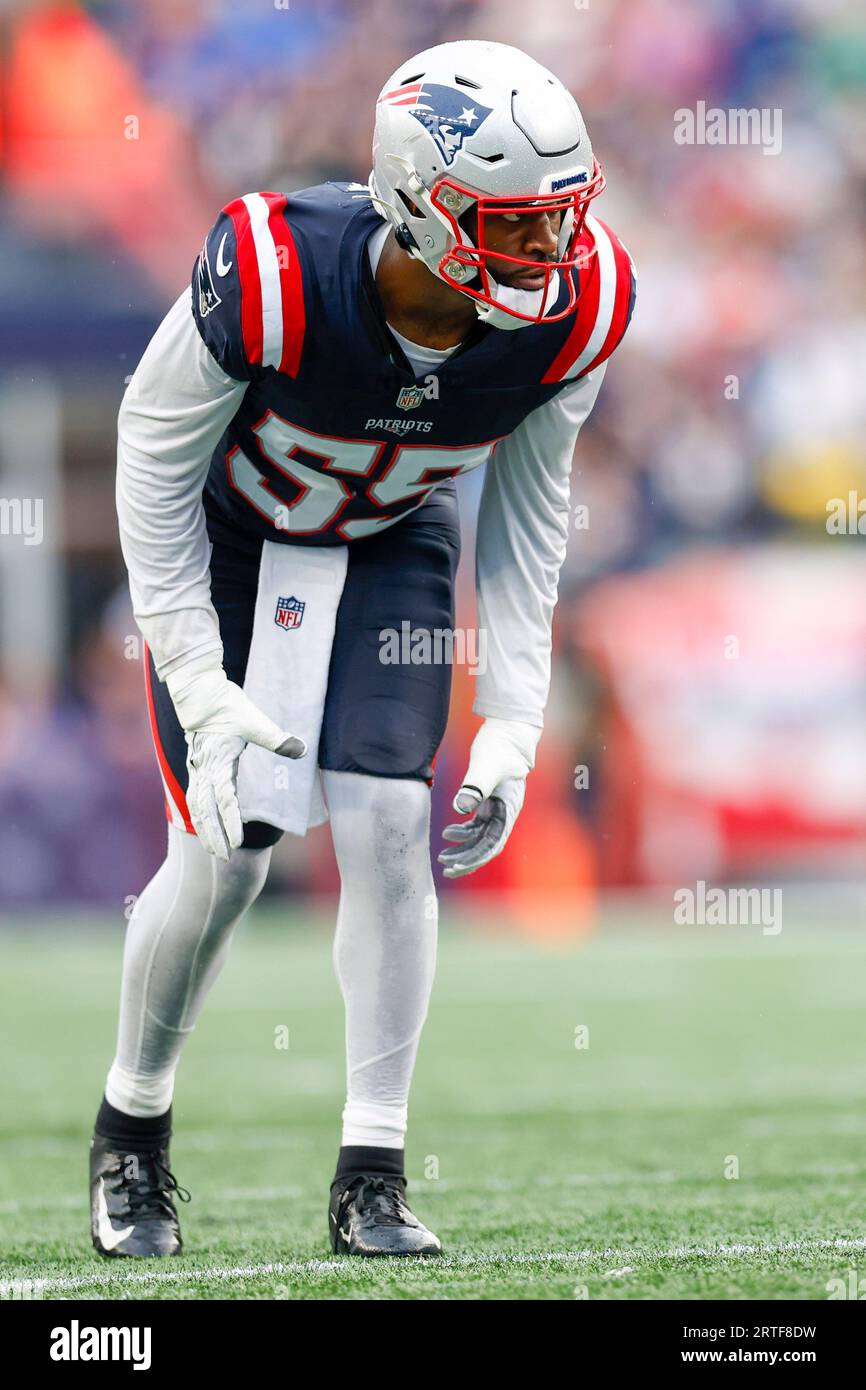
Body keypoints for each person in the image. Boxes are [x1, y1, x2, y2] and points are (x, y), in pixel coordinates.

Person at [91, 38, 635, 1260]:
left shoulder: (581, 304)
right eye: (513, 226)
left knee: (391, 824)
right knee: (227, 854)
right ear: (417, 202)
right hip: (231, 539)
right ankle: (131, 1134)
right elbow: (149, 459)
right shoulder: (275, 272)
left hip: (393, 535)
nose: (551, 256)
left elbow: (531, 509)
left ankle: (372, 1172)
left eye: (558, 221)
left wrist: (512, 713)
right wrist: (196, 677)